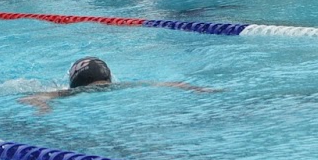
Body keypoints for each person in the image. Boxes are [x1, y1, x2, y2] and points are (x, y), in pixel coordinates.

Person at [17, 56, 210, 113]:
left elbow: (31, 97)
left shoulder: (67, 93)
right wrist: (195, 88)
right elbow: (164, 84)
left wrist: (42, 107)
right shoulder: (120, 86)